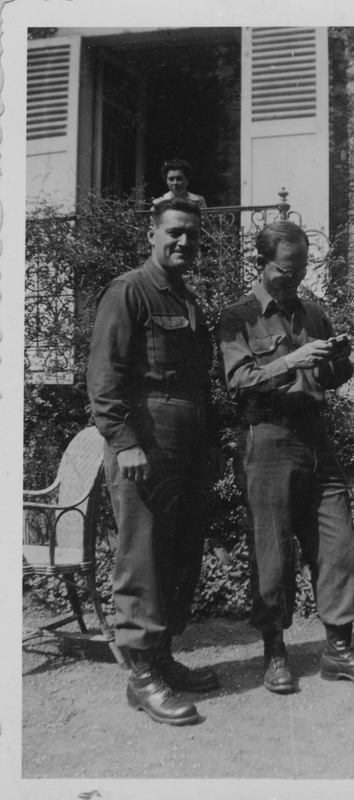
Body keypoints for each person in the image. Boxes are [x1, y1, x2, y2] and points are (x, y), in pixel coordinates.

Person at [218, 220, 354, 694]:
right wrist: (291, 361)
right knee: (272, 553)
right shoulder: (238, 317)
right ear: (261, 263)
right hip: (268, 439)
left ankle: (338, 649)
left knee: (339, 546)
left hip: (317, 438)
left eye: (300, 271)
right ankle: (275, 651)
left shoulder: (313, 313)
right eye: (285, 272)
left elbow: (332, 378)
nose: (294, 281)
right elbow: (237, 383)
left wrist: (337, 358)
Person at [87, 197, 223, 726]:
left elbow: (198, 383)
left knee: (179, 551)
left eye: (191, 234)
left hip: (186, 443)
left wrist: (209, 442)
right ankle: (141, 675)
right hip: (144, 443)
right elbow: (104, 378)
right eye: (174, 232)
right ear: (152, 234)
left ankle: (162, 657)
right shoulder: (128, 291)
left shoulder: (189, 299)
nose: (183, 242)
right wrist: (125, 442)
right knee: (142, 555)